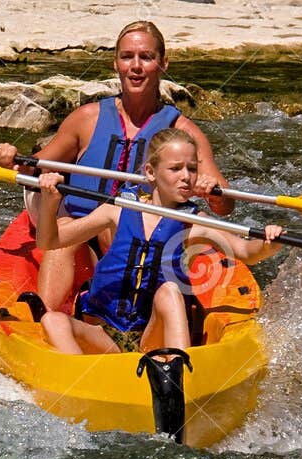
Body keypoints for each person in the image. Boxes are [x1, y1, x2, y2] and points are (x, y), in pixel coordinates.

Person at [0, 20, 231, 312]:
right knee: (65, 230)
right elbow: (36, 168)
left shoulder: (184, 134)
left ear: (163, 63)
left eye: (147, 57)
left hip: (141, 243)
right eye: (127, 57)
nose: (136, 66)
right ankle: (47, 324)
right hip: (79, 237)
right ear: (116, 63)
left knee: (123, 226)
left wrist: (214, 193)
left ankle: (125, 316)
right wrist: (13, 160)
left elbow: (225, 205)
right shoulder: (87, 118)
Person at [34, 127, 281, 357]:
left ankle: (176, 372)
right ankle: (80, 385)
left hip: (151, 339)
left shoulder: (194, 222)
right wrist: (50, 202)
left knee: (170, 291)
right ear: (151, 172)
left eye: (192, 169)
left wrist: (268, 242)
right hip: (104, 335)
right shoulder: (117, 210)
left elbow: (245, 251)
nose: (186, 177)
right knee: (52, 320)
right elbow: (50, 241)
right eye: (175, 169)